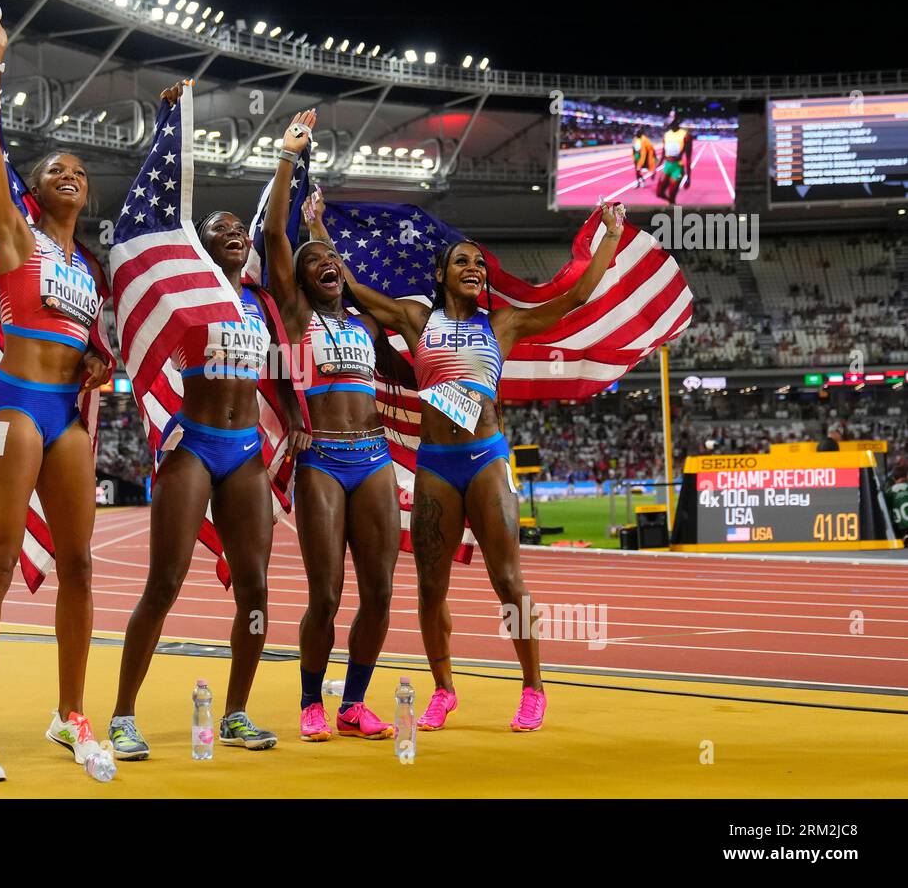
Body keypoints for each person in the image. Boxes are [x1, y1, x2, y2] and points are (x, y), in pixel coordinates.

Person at [343, 201, 629, 733]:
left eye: (479, 262)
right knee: (431, 586)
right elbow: (353, 288)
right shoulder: (416, 319)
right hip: (434, 464)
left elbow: (576, 297)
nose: (474, 268)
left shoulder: (504, 323)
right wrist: (315, 226)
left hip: (485, 459)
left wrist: (610, 238)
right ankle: (443, 691)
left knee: (507, 579)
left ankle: (533, 687)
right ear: (441, 275)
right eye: (462, 262)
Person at [0, 11, 113, 782]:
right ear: (37, 189)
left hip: (67, 416)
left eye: (81, 169)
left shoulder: (88, 270)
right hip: (15, 403)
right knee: (0, 559)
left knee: (81, 563)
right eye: (56, 168)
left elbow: (83, 344)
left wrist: (96, 365)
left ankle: (70, 711)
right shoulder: (13, 231)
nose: (71, 173)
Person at [106, 80, 287, 761]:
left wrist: (293, 422)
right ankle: (123, 713)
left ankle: (237, 710)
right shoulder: (187, 299)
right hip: (192, 443)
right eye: (222, 232)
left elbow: (278, 374)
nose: (236, 237)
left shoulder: (261, 306)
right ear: (202, 249)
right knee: (166, 580)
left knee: (258, 587)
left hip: (245, 450)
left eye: (240, 231)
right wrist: (165, 123)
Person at [262, 114, 408, 744]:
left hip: (373, 457)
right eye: (313, 259)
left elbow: (357, 284)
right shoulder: (294, 314)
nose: (324, 262)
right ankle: (309, 700)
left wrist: (324, 232)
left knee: (378, 590)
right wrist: (288, 161)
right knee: (326, 594)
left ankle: (353, 702)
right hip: (322, 458)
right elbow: (274, 233)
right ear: (298, 276)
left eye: (331, 260)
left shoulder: (365, 325)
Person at [655, 112, 692, 205]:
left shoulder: (686, 135)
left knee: (672, 194)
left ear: (677, 120)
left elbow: (688, 159)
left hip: (677, 167)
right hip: (667, 166)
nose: (670, 120)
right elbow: (663, 153)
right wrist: (655, 168)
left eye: (672, 118)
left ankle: (673, 210)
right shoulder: (666, 135)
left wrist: (688, 178)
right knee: (659, 193)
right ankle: (672, 204)